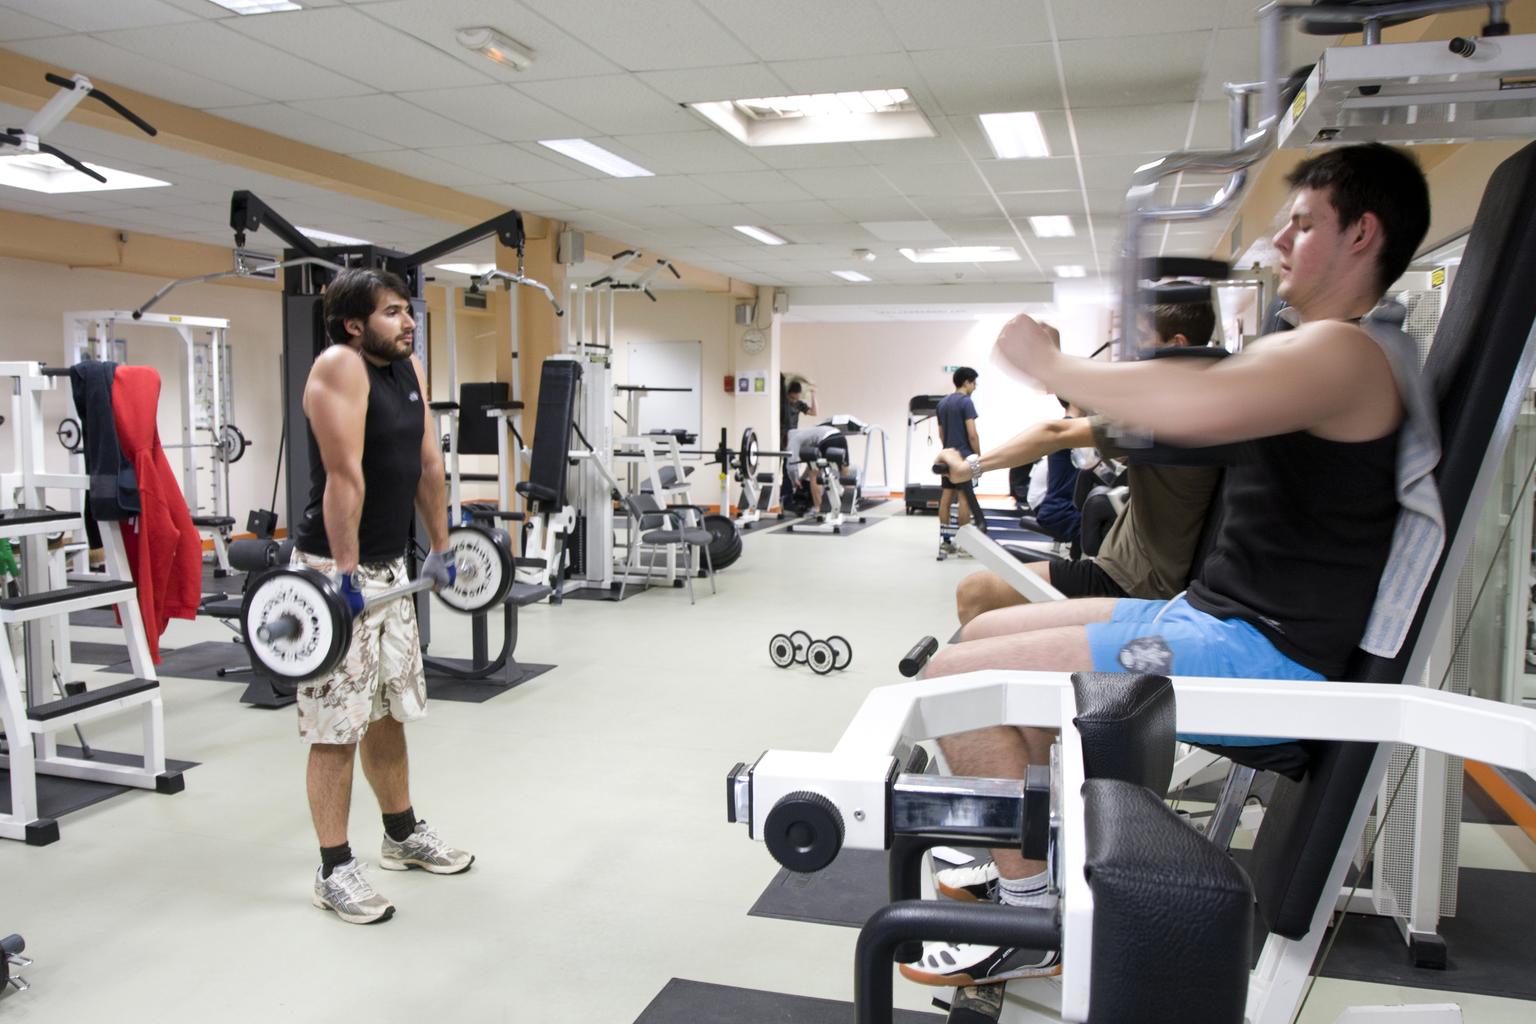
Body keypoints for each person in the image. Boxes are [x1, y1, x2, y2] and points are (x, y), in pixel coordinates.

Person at [901, 142, 1436, 988]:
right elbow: (1197, 395)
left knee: (955, 680)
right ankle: (1031, 845)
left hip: (1263, 658)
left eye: (1302, 225)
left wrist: (1048, 364)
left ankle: (1027, 914)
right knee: (985, 627)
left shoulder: (1347, 353)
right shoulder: (1318, 346)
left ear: (1363, 233)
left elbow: (1192, 404)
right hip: (1206, 617)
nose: (1281, 244)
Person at [292, 266, 474, 926]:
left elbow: (427, 465)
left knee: (391, 708)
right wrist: (342, 577)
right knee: (337, 723)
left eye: (408, 310)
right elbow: (345, 479)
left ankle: (401, 836)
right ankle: (334, 868)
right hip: (332, 570)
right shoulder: (340, 367)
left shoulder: (410, 369)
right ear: (353, 324)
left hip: (390, 566)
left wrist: (444, 547)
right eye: (393, 312)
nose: (408, 321)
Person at [936, 294, 1223, 625]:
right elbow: (1091, 405)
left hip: (1132, 583)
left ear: (1178, 343)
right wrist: (1056, 366)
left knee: (975, 593)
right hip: (1130, 571)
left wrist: (969, 467)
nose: (1137, 353)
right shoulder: (1194, 404)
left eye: (1144, 340)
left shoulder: (1166, 415)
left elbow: (1056, 432)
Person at [935, 366, 980, 554]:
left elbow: (941, 434)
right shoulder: (966, 402)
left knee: (946, 497)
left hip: (947, 457)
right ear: (966, 382)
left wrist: (948, 451)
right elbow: (972, 435)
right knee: (964, 498)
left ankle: (945, 542)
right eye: (974, 383)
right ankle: (964, 545)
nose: (975, 387)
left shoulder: (942, 404)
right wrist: (979, 456)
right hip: (964, 458)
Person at [782, 379, 822, 510]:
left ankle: (789, 498)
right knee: (786, 469)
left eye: (797, 397)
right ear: (789, 394)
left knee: (791, 467)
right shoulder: (783, 403)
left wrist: (813, 395)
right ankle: (786, 499)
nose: (795, 400)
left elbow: (814, 412)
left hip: (793, 438)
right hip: (782, 437)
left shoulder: (798, 404)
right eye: (793, 397)